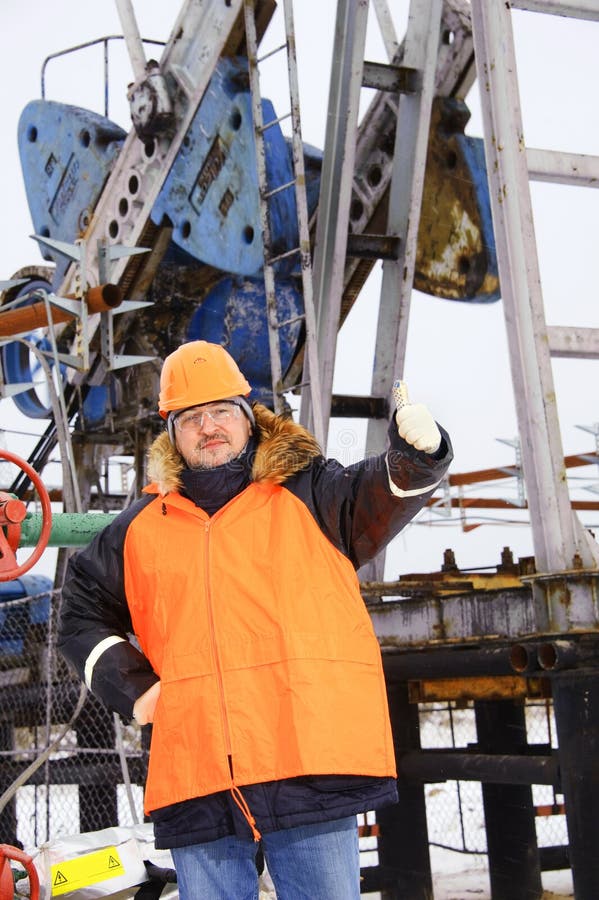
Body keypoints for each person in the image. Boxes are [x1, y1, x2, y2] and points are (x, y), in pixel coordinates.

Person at [58, 339, 453, 899]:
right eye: (191, 417)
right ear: (171, 432)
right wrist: (137, 690)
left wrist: (418, 458)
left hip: (308, 760)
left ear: (249, 418)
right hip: (197, 770)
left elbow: (376, 495)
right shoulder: (140, 527)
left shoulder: (312, 492)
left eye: (221, 411)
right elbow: (78, 613)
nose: (209, 426)